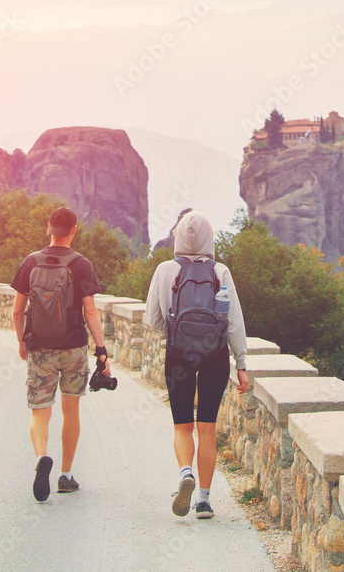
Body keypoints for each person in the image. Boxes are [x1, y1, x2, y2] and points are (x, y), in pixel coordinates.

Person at [145, 211, 248, 519]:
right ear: (209, 238)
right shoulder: (220, 272)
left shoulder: (165, 270)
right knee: (207, 428)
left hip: (178, 354)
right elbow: (234, 322)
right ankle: (203, 500)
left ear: (178, 237)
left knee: (182, 426)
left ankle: (185, 473)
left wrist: (177, 328)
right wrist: (241, 363)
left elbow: (153, 320)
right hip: (215, 355)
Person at [11, 206, 111, 502]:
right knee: (71, 410)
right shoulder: (82, 264)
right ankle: (66, 475)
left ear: (49, 228)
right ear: (73, 230)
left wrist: (22, 342)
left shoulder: (30, 262)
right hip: (73, 348)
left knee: (40, 413)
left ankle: (42, 457)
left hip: (40, 348)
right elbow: (90, 311)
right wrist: (101, 350)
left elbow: (17, 311)